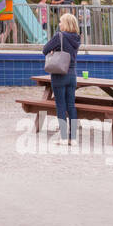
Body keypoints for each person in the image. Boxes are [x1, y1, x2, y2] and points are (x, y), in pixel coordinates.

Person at [43, 12, 82, 145]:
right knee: (71, 105)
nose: (59, 24)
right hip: (72, 75)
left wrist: (53, 50)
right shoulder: (77, 38)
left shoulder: (59, 35)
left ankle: (64, 137)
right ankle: (73, 138)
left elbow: (45, 49)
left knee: (60, 105)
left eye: (61, 21)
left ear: (65, 23)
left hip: (59, 74)